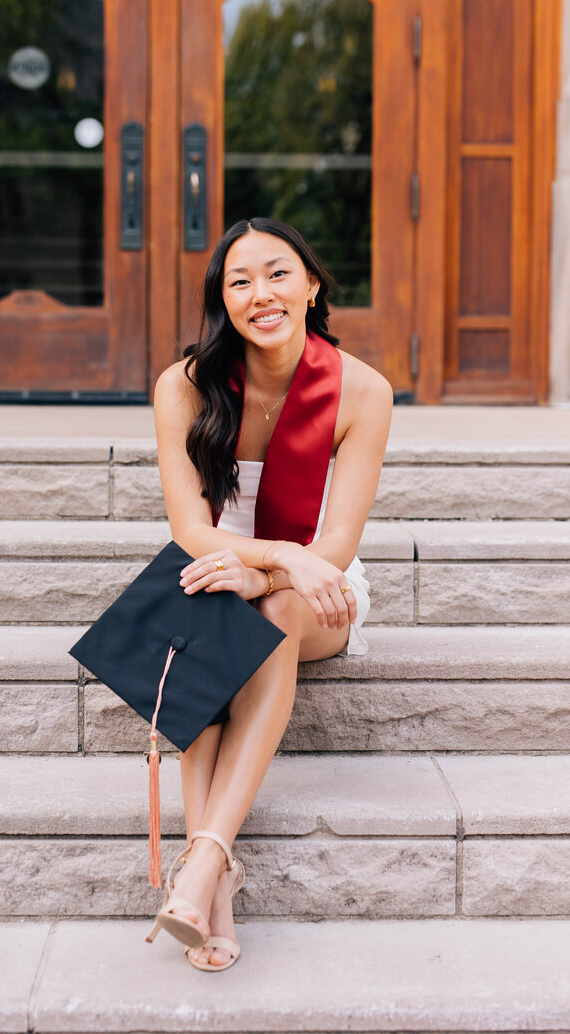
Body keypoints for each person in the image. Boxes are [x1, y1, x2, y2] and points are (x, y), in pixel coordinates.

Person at [151, 216, 392, 970]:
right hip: (223, 567)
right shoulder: (186, 386)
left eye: (279, 273)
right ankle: (210, 884)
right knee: (216, 608)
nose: (263, 293)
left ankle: (203, 861)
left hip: (312, 587)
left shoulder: (362, 391)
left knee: (276, 609)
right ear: (223, 302)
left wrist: (276, 569)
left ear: (312, 285)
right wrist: (255, 562)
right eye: (241, 281)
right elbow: (192, 527)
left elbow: (335, 549)